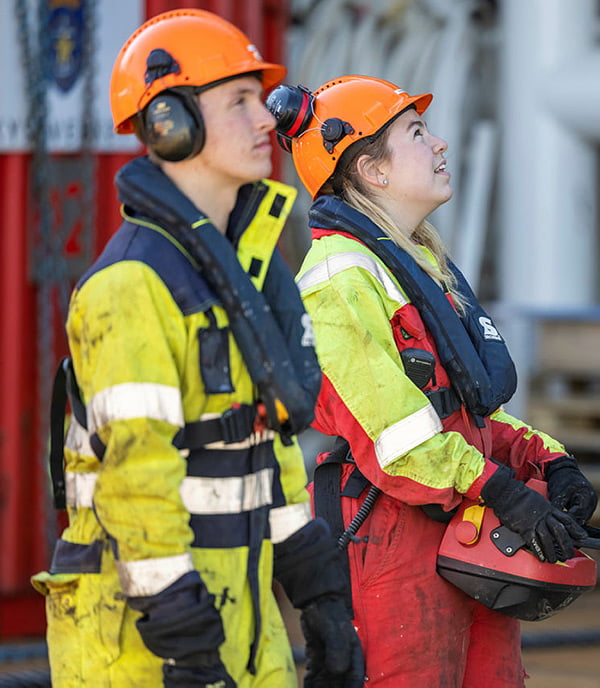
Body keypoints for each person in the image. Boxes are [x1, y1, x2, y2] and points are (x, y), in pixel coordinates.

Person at [31, 10, 363, 688]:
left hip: (241, 619)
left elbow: (262, 448)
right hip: (141, 639)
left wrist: (321, 598)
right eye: (238, 101)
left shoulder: (245, 272)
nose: (266, 120)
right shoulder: (131, 287)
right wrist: (182, 639)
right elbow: (135, 483)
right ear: (168, 124)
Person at [266, 74, 600, 687]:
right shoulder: (342, 280)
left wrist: (547, 461)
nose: (441, 144)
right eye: (417, 133)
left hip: (464, 525)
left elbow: (460, 411)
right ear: (373, 170)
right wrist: (503, 493)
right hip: (395, 537)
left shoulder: (417, 265)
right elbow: (397, 442)